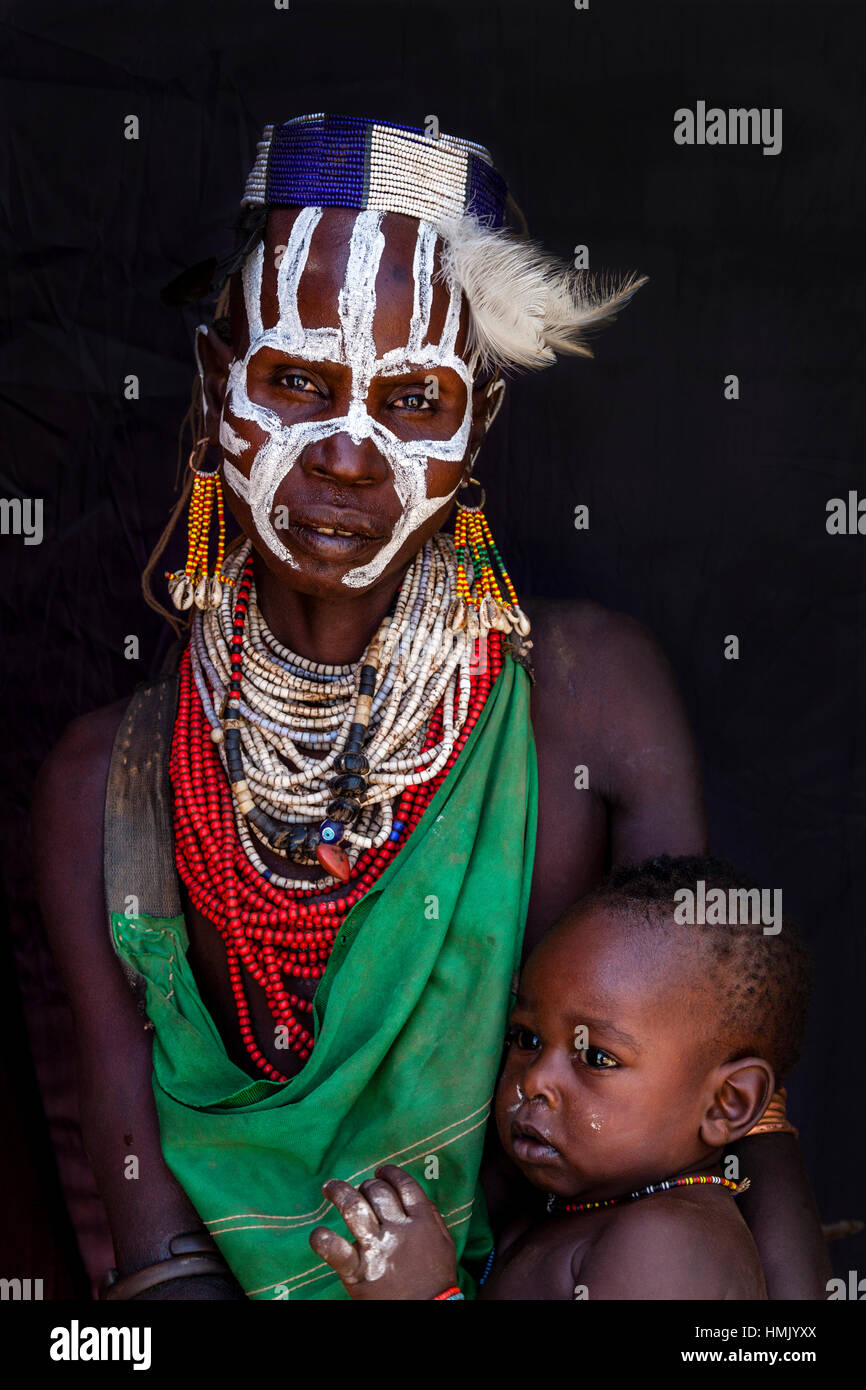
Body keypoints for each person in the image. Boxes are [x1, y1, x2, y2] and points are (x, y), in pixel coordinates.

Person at [30, 115, 823, 1301]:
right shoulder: (106, 786)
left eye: (409, 397)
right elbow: (158, 1257)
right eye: (295, 380)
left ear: (476, 430)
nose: (346, 455)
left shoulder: (589, 698)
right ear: (212, 390)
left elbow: (701, 1069)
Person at [309, 855, 809, 1300]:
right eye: (526, 1039)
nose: (535, 1081)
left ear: (728, 1104)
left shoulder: (668, 1242)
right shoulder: (557, 1209)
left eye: (597, 1058)